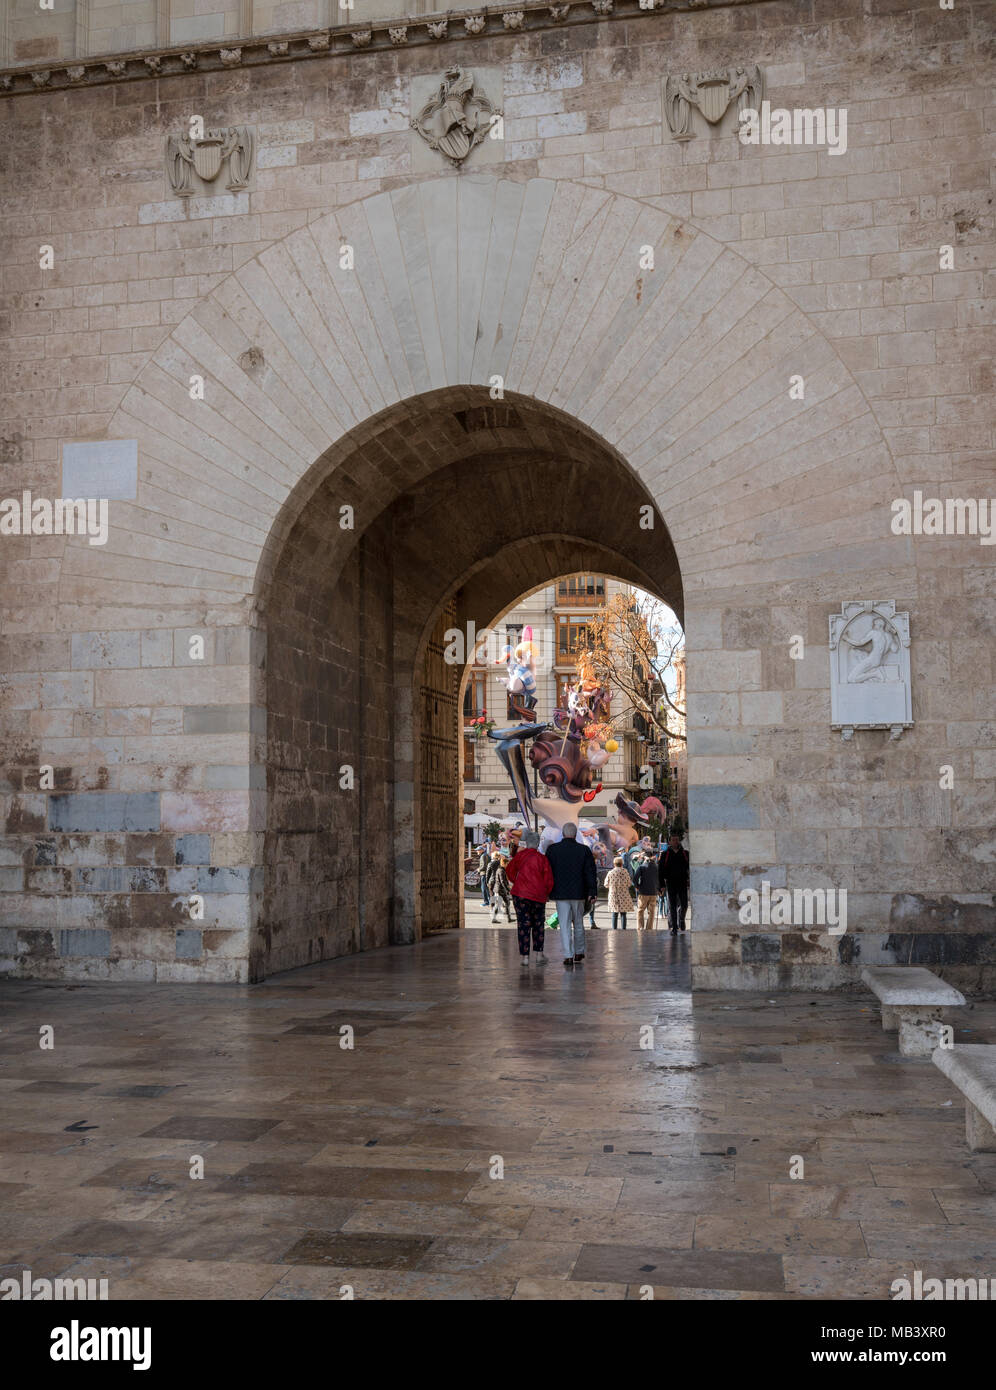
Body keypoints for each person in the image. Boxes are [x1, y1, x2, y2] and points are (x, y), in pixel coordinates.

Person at [545, 822, 597, 968]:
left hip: (560, 893)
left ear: (563, 834)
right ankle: (579, 952)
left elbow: (547, 873)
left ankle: (568, 955)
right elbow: (590, 873)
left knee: (564, 924)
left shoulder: (553, 850)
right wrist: (592, 891)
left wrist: (547, 891)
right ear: (575, 834)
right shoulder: (584, 850)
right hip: (579, 893)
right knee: (578, 923)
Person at [505, 829, 554, 967]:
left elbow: (509, 871)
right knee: (538, 925)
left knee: (523, 925)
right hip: (538, 896)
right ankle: (539, 955)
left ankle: (525, 957)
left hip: (520, 895)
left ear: (526, 843)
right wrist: (546, 892)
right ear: (538, 844)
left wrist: (518, 881)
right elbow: (548, 879)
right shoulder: (542, 859)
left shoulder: (520, 856)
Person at [659, 831, 690, 934]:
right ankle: (674, 927)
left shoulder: (685, 854)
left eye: (677, 840)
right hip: (670, 883)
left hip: (682, 883)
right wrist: (662, 885)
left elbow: (690, 868)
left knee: (684, 904)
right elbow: (660, 870)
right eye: (673, 840)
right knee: (671, 905)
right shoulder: (665, 855)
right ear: (670, 842)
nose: (675, 842)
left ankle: (681, 919)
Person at [631, 847, 660, 930]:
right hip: (653, 892)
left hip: (643, 892)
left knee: (640, 910)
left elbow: (635, 879)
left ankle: (640, 927)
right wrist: (658, 889)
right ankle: (649, 928)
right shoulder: (657, 867)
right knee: (652, 912)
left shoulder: (641, 867)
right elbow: (659, 879)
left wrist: (637, 886)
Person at [605, 855, 635, 929]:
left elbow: (606, 884)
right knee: (623, 913)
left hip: (613, 894)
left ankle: (614, 929)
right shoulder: (625, 872)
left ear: (614, 864)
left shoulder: (610, 872)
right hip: (624, 894)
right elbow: (629, 883)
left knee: (614, 913)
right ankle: (623, 929)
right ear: (622, 864)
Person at [486, 851, 512, 924]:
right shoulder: (501, 865)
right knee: (501, 901)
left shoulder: (491, 863)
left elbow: (488, 874)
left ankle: (493, 907)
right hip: (499, 884)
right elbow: (503, 879)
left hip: (493, 882)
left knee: (493, 897)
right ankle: (506, 917)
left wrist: (487, 882)